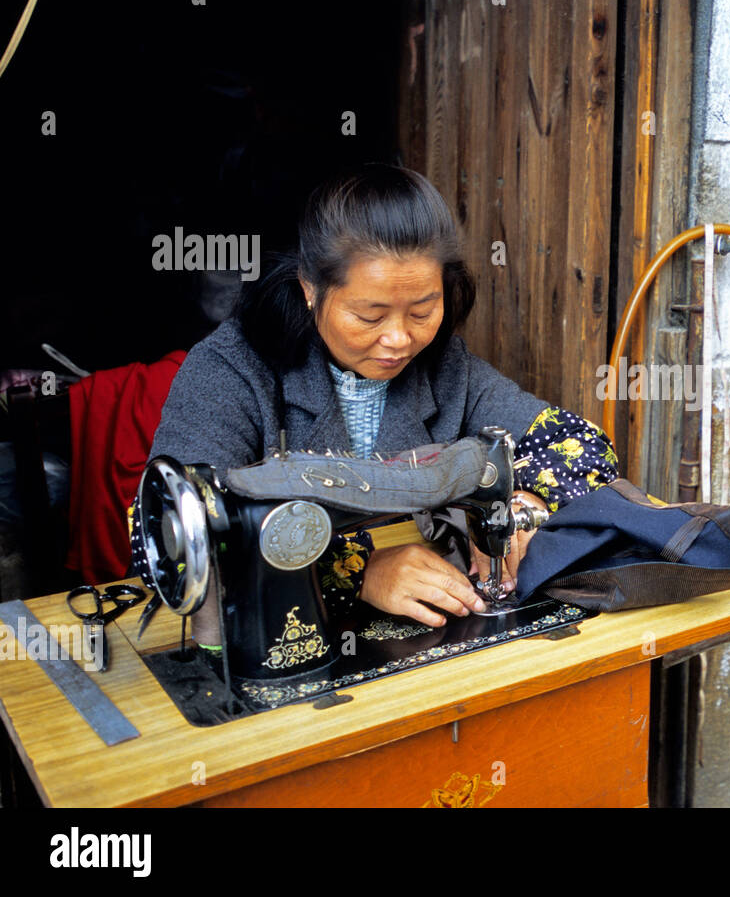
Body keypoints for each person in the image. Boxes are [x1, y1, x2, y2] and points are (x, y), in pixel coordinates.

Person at [144, 164, 618, 643]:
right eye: (368, 315)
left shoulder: (446, 368)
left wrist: (521, 505)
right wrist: (355, 575)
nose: (398, 339)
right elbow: (174, 534)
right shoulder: (232, 370)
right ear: (310, 288)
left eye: (422, 311)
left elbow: (580, 447)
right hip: (276, 636)